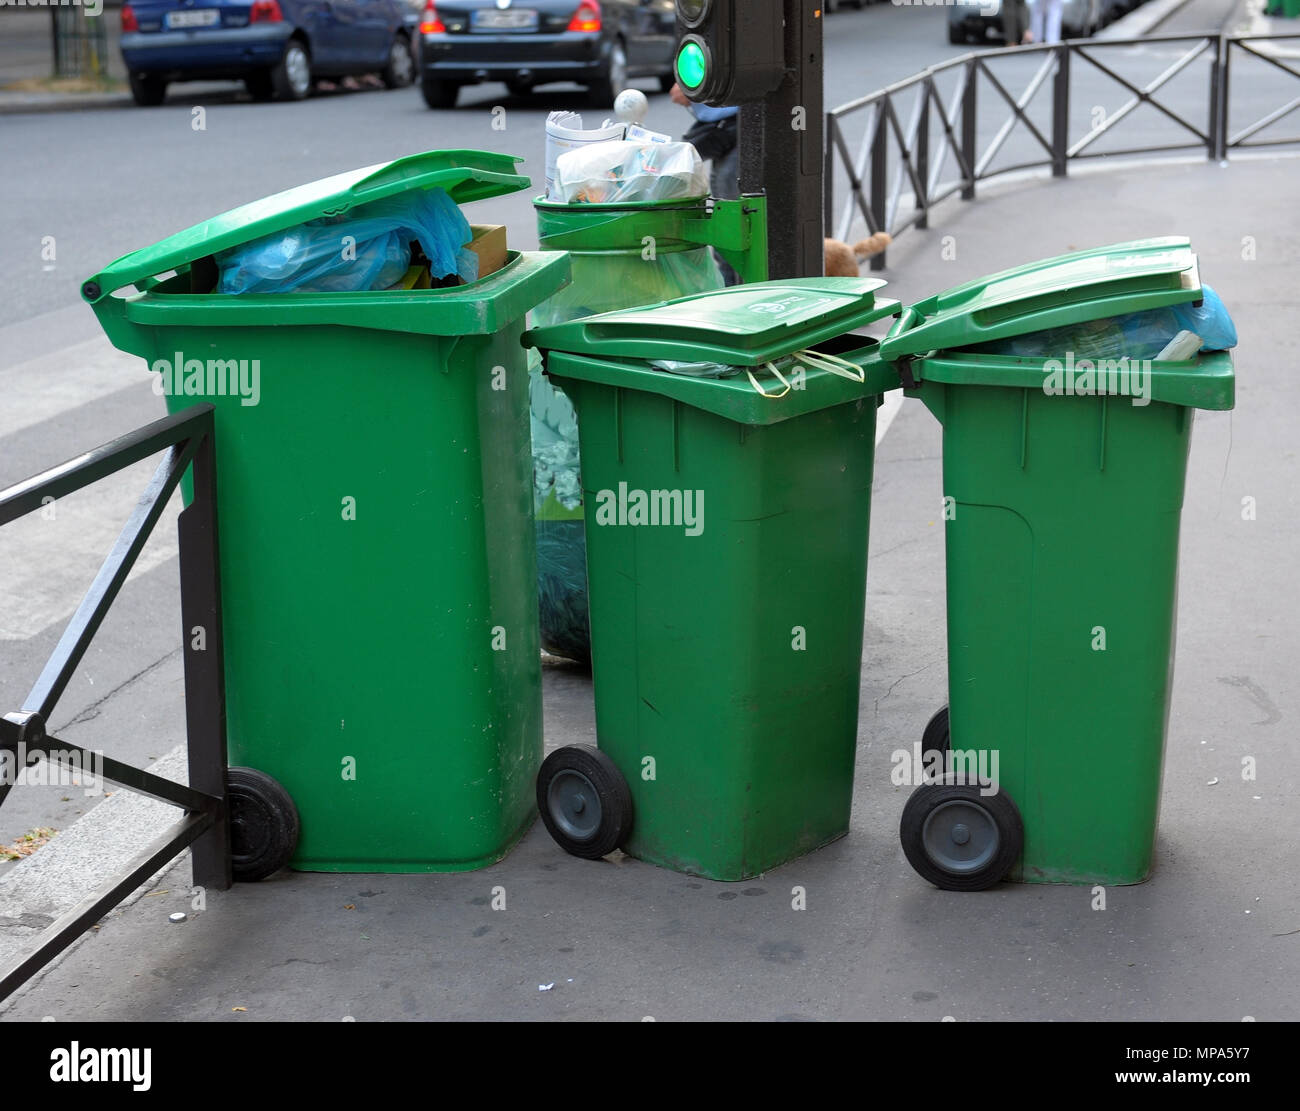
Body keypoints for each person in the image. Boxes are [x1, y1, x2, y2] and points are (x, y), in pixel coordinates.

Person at [669, 82, 740, 284]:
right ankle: (731, 275)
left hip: (742, 117)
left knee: (728, 202)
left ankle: (734, 277)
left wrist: (694, 87)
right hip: (726, 120)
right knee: (724, 200)